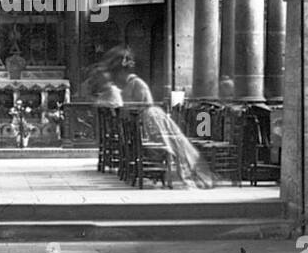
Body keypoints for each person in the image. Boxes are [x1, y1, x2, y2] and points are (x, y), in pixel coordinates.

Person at [90, 46, 216, 189]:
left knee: (175, 145)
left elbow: (145, 104)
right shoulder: (125, 86)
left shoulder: (137, 83)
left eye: (117, 74)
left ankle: (184, 173)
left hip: (152, 118)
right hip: (141, 120)